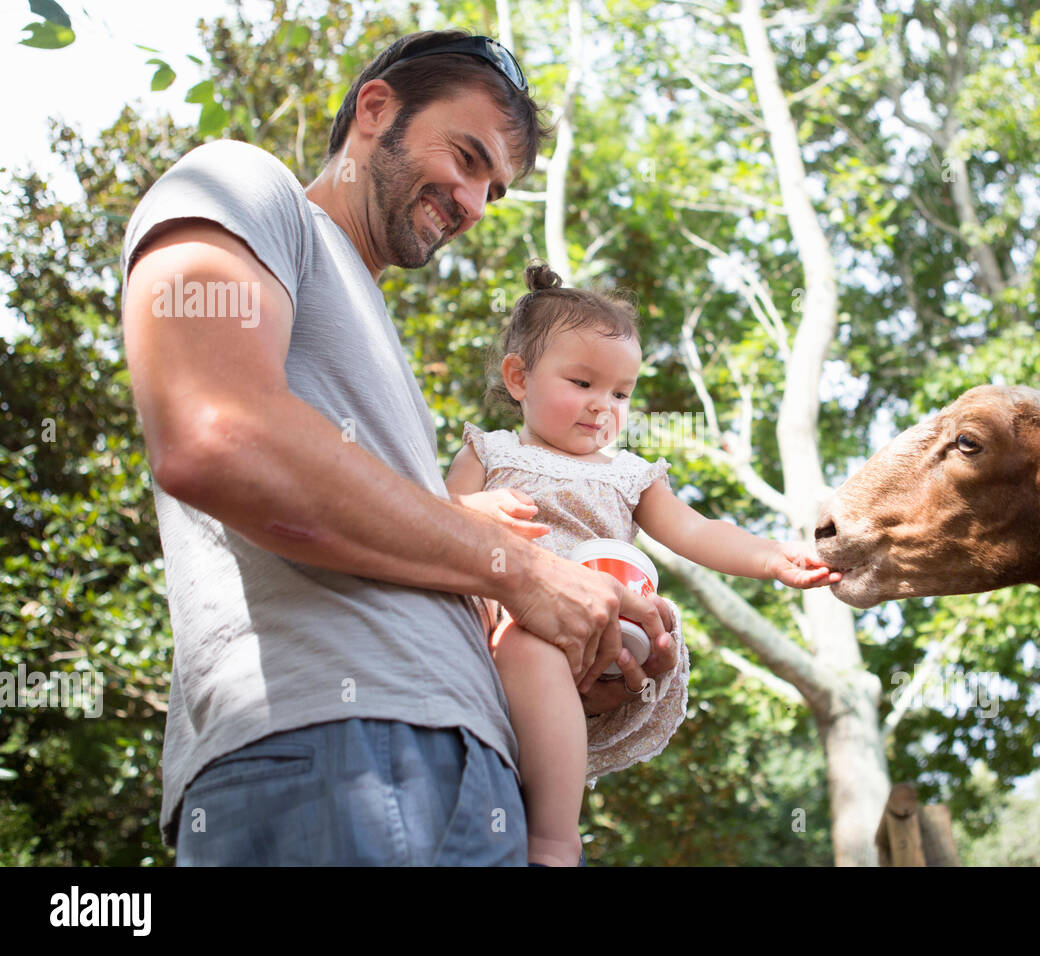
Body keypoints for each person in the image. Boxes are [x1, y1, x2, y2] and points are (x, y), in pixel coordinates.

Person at [119, 30, 676, 866]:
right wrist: (518, 568)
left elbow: (386, 544)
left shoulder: (375, 348)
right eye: (467, 155)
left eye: (495, 187)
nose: (477, 203)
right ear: (376, 109)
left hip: (469, 775)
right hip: (344, 751)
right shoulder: (244, 183)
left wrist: (568, 646)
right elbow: (218, 435)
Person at [445, 262, 840, 866]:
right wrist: (473, 507)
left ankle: (553, 838)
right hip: (499, 622)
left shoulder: (629, 474)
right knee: (522, 657)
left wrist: (772, 558)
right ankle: (530, 817)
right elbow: (434, 515)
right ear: (518, 378)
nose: (603, 406)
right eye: (581, 383)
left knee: (546, 650)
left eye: (621, 393)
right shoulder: (488, 452)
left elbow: (693, 530)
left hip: (604, 627)